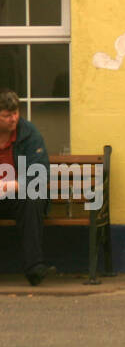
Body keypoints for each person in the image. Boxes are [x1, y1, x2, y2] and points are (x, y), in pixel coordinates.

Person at [0, 89, 53, 285]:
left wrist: (13, 184)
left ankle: (35, 268)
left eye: (15, 113)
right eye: (6, 115)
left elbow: (40, 172)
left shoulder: (29, 133)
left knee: (32, 198)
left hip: (19, 194)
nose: (13, 119)